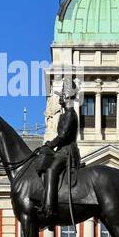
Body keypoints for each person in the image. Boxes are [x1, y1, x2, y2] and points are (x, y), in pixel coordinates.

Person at [36, 78, 82, 219]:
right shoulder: (64, 115)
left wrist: (50, 144)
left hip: (68, 152)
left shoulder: (70, 114)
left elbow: (63, 136)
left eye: (62, 94)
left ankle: (49, 208)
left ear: (68, 96)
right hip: (61, 150)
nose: (60, 97)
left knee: (51, 169)